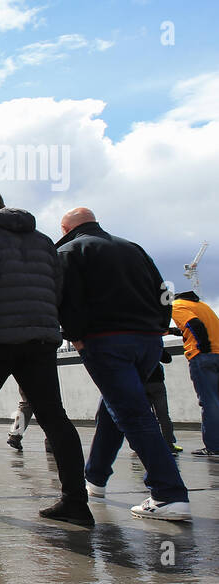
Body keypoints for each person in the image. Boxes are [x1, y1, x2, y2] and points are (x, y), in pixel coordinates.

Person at [0, 188, 91, 525]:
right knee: (54, 416)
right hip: (40, 338)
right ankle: (76, 502)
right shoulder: (41, 238)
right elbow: (57, 287)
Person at [56, 207, 189, 520]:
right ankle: (95, 479)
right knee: (115, 406)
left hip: (106, 340)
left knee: (132, 413)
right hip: (147, 342)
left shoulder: (69, 250)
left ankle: (168, 494)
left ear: (66, 228)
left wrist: (74, 336)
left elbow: (66, 298)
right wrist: (158, 326)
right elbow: (163, 292)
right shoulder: (133, 248)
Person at [170, 290, 219, 456]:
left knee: (209, 402)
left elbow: (194, 324)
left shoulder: (177, 306)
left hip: (203, 357)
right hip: (218, 354)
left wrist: (203, 347)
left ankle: (214, 447)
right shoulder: (202, 306)